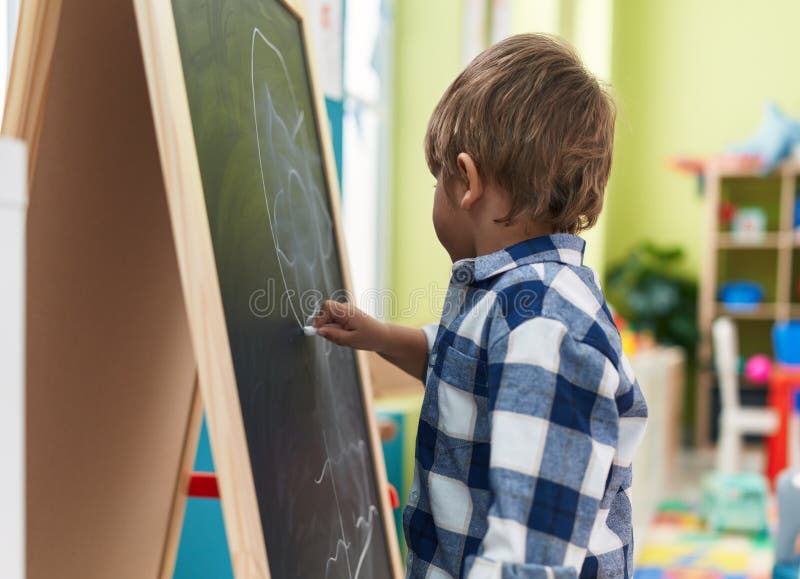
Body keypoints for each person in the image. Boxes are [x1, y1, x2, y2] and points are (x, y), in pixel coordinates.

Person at [313, 33, 648, 578]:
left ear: (465, 181)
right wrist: (379, 336)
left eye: (437, 178)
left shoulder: (543, 326)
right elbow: (471, 370)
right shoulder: (516, 296)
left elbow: (530, 556)